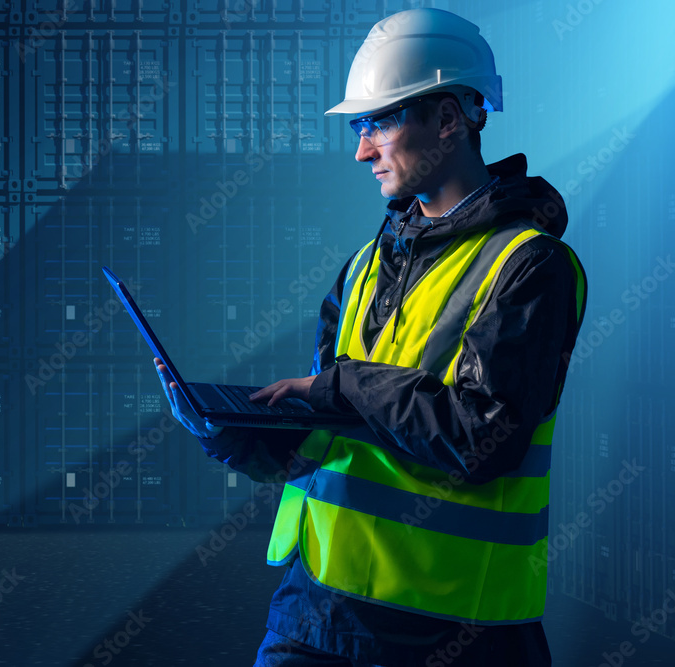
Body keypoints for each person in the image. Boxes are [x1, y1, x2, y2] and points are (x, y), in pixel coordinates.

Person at [154, 8, 588, 667]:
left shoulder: (530, 266)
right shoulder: (364, 264)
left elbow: (482, 437)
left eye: (378, 121)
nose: (361, 149)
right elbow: (327, 439)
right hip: (314, 614)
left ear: (449, 120)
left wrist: (346, 381)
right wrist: (232, 433)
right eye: (361, 125)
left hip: (452, 631)